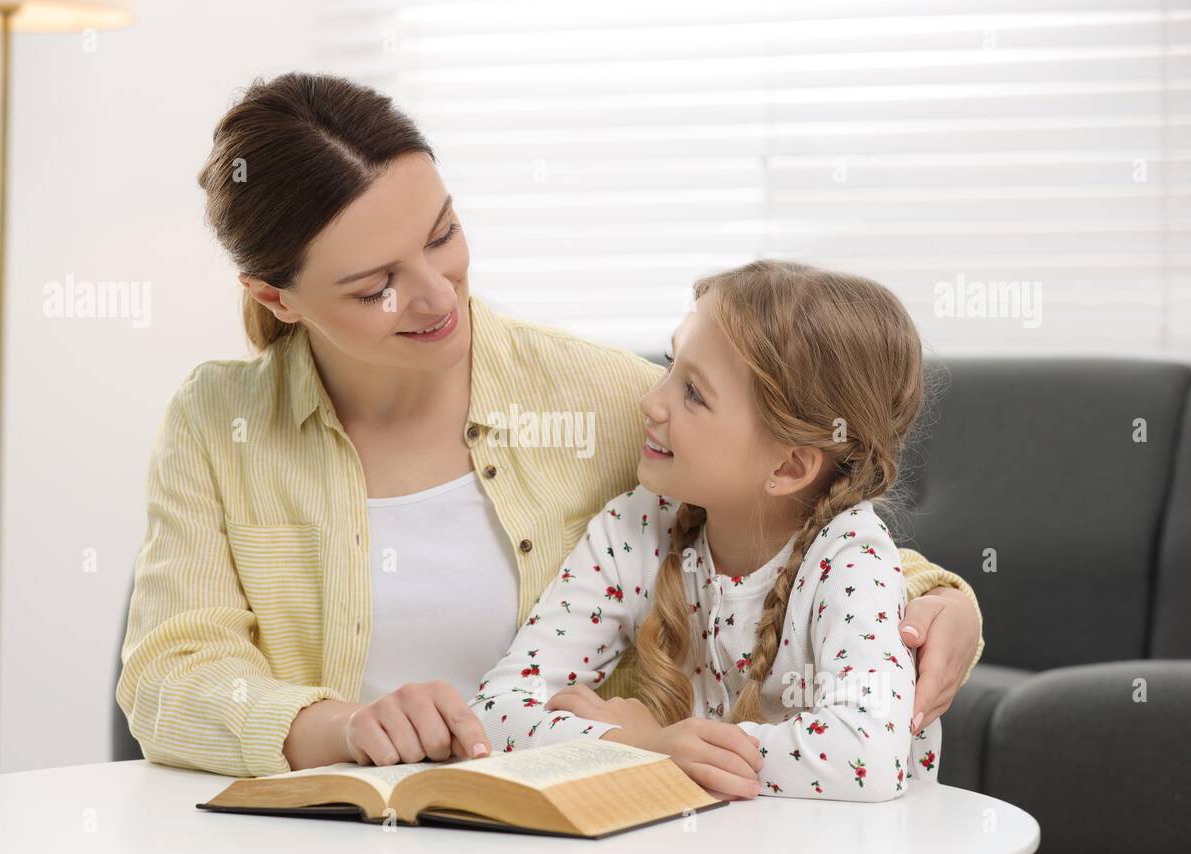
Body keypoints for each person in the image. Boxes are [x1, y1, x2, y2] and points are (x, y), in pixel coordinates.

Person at [116, 73, 984, 779]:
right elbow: (168, 676)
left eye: (443, 234)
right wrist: (339, 727)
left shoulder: (603, 396)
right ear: (277, 298)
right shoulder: (216, 423)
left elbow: (790, 511)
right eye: (375, 285)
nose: (436, 293)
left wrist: (942, 596)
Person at [471, 261, 948, 801]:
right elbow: (493, 715)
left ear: (789, 467)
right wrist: (640, 747)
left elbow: (865, 760)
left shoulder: (850, 557)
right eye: (672, 366)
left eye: (694, 393)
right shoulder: (636, 529)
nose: (651, 403)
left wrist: (651, 743)